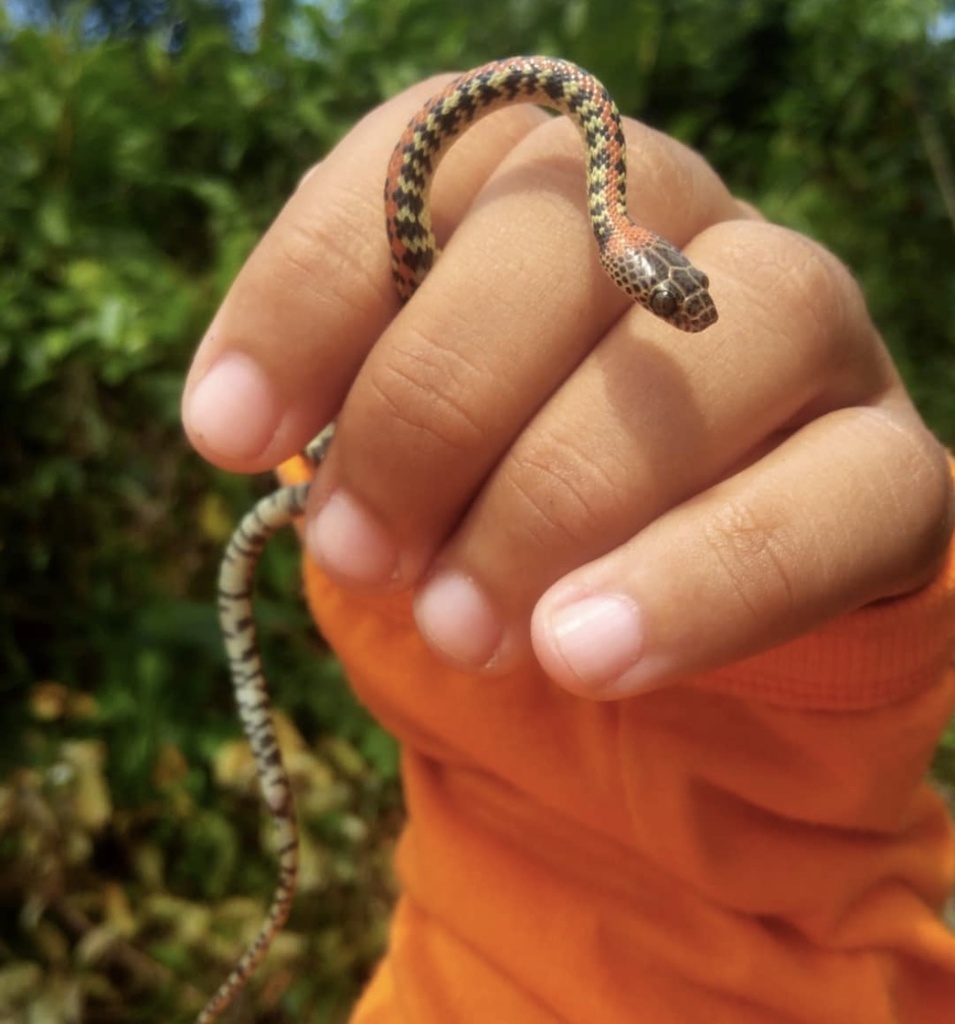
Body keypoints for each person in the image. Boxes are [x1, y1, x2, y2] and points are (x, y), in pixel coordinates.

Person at [181, 70, 955, 1022]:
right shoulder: (585, 160)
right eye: (677, 308)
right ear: (636, 268)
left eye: (682, 305)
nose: (689, 316)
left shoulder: (613, 204)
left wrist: (809, 632)